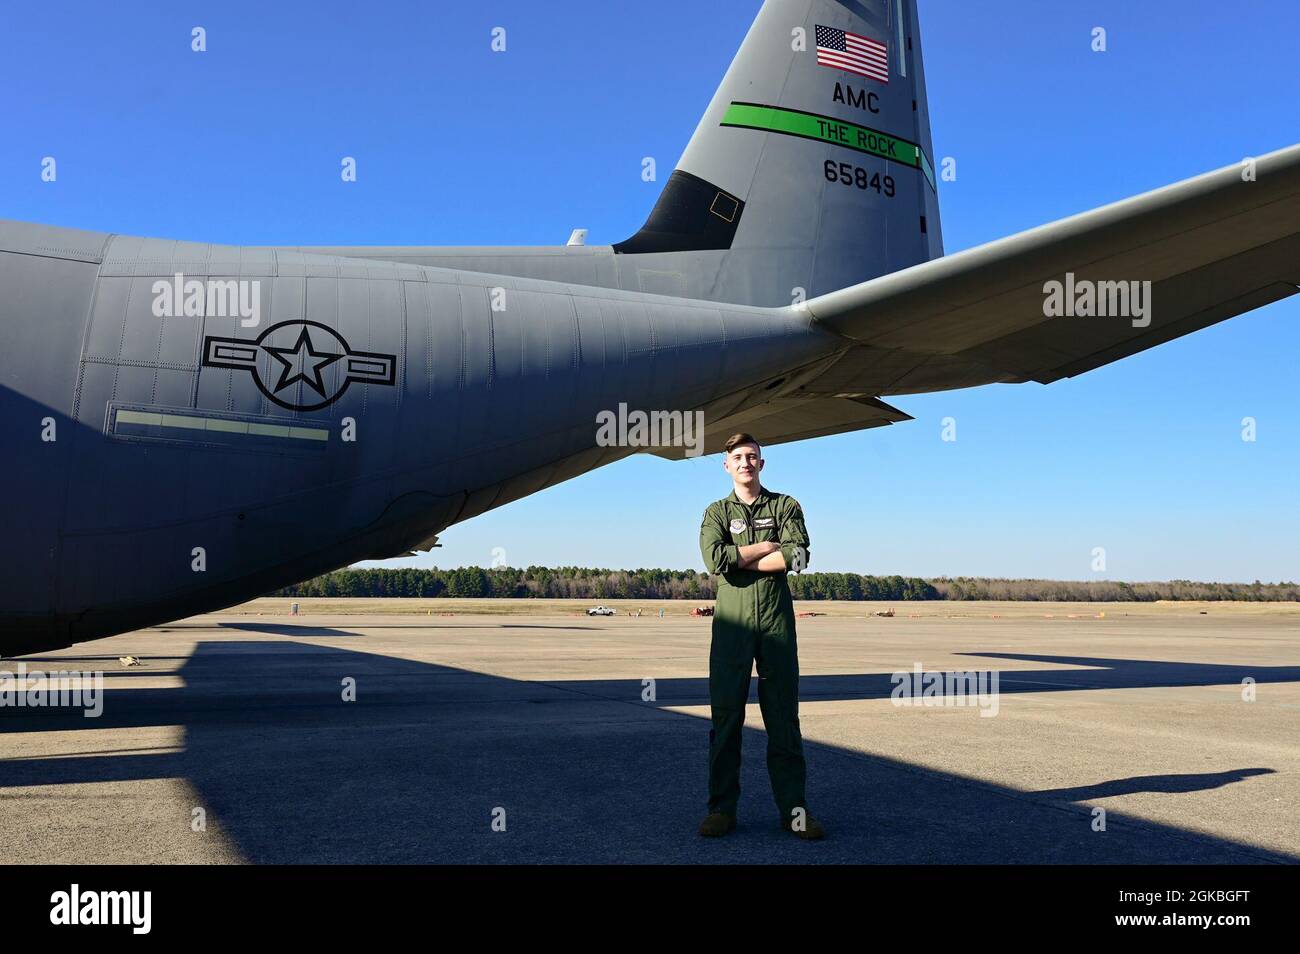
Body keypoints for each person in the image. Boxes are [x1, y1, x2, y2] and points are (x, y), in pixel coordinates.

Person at [697, 433, 823, 840]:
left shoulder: (785, 505)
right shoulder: (716, 511)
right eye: (738, 457)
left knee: (783, 718)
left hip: (775, 624)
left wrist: (741, 557)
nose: (746, 463)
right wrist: (765, 548)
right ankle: (721, 810)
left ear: (762, 464)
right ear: (727, 465)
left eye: (752, 457)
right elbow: (715, 560)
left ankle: (794, 811)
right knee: (727, 719)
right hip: (732, 626)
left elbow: (799, 555)